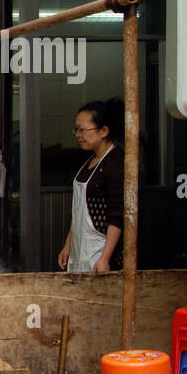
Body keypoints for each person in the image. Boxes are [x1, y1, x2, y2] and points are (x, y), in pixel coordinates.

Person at [58, 100, 125, 273]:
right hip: (80, 249)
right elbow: (79, 212)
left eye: (83, 129)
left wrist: (105, 258)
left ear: (104, 131)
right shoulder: (91, 160)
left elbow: (117, 216)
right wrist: (68, 246)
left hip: (99, 251)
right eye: (76, 129)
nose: (78, 134)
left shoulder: (116, 162)